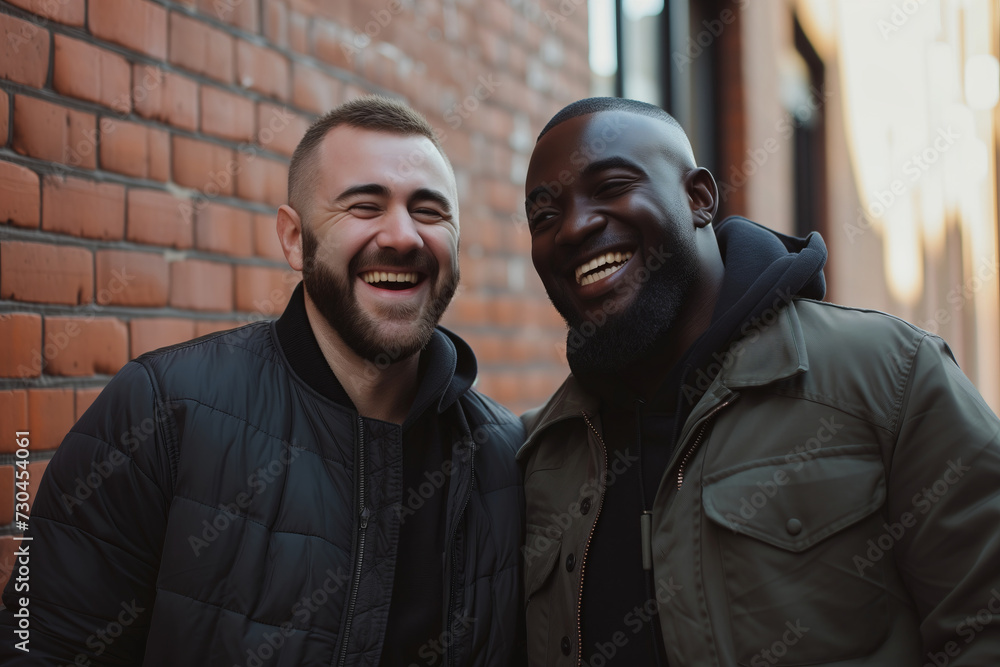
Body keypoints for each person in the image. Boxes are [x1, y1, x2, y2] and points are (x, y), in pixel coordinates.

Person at [0, 96, 525, 666]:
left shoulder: (507, 458)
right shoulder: (161, 413)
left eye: (429, 211)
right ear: (294, 239)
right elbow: (40, 647)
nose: (403, 236)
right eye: (365, 206)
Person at [517, 97, 1000, 666]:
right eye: (544, 216)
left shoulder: (890, 375)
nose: (574, 227)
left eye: (611, 186)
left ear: (699, 199)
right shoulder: (538, 453)